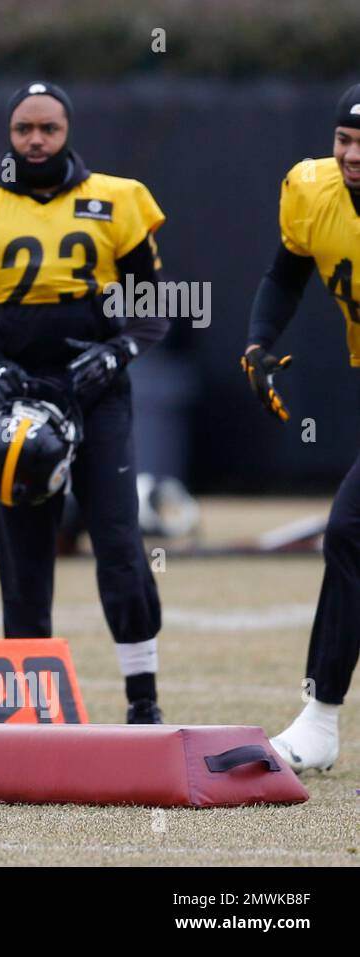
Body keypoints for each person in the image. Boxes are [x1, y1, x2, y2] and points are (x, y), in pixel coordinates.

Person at [0, 82, 169, 723]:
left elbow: (152, 314)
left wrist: (116, 354)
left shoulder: (118, 199)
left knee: (118, 541)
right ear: (9, 133)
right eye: (25, 128)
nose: (36, 140)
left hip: (97, 394)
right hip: (19, 396)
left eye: (49, 129)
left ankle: (143, 698)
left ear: (68, 132)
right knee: (25, 549)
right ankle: (30, 703)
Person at [240, 82, 360, 772]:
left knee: (348, 530)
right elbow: (284, 274)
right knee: (350, 537)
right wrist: (259, 343)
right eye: (343, 140)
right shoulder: (311, 191)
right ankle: (319, 721)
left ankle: (320, 718)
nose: (350, 155)